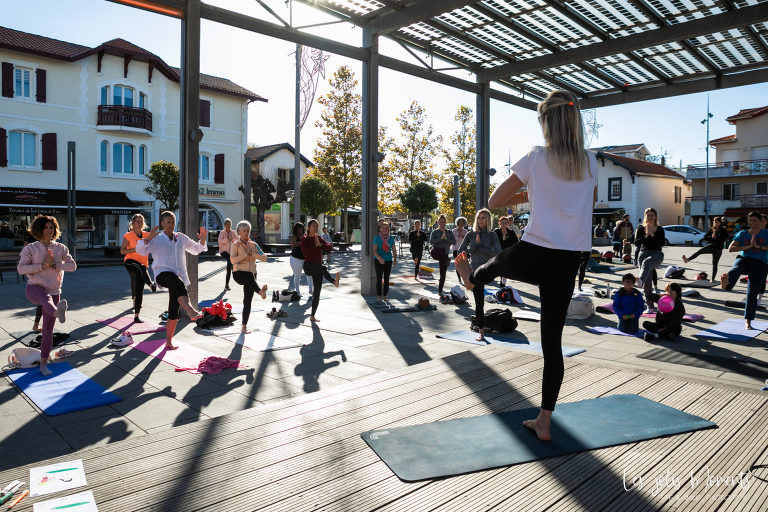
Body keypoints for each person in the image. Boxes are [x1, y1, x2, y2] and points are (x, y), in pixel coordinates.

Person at [455, 90, 598, 441]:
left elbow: (494, 200)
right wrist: (544, 192)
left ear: (546, 124)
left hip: (535, 251)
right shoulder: (591, 162)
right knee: (553, 343)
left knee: (494, 264)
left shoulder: (535, 157)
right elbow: (587, 200)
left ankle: (472, 282)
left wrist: (531, 189)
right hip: (568, 260)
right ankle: (545, 422)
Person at [135, 211, 206, 350]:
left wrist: (202, 240)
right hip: (162, 274)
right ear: (162, 223)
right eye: (168, 222)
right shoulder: (156, 238)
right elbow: (140, 250)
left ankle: (168, 342)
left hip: (177, 277)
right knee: (177, 283)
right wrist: (149, 238)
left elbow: (196, 249)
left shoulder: (181, 237)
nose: (171, 225)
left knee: (173, 309)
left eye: (173, 222)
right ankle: (191, 309)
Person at [17, 215, 76, 376]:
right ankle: (57, 312)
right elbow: (21, 269)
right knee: (45, 298)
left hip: (54, 291)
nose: (49, 230)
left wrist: (56, 264)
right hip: (34, 288)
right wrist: (42, 265)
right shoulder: (31, 248)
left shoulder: (61, 248)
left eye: (52, 227)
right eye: (46, 227)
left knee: (48, 331)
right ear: (39, 230)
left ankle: (43, 365)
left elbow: (72, 266)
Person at [457, 208, 502, 340]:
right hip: (475, 270)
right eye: (479, 218)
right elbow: (461, 250)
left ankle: (482, 328)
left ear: (488, 220)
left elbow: (498, 253)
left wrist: (480, 247)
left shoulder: (492, 235)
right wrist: (471, 249)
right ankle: (481, 330)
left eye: (483, 218)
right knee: (479, 301)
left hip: (487, 269)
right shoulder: (470, 234)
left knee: (480, 298)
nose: (480, 220)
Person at [720, 211, 768, 329]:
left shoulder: (766, 233)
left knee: (752, 294)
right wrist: (748, 247)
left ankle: (748, 321)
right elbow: (731, 248)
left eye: (755, 220)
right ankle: (726, 284)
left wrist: (758, 246)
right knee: (736, 268)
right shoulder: (742, 233)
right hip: (744, 259)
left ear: (760, 221)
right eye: (750, 221)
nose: (752, 223)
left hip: (760, 264)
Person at [229, 220, 268, 334]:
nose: (246, 233)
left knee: (247, 301)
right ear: (239, 232)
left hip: (251, 276)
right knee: (249, 275)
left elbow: (264, 257)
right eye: (244, 231)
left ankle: (244, 327)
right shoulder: (235, 245)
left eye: (248, 231)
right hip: (239, 273)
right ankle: (260, 292)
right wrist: (244, 255)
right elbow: (232, 260)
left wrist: (252, 254)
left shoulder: (253, 244)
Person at [301, 219, 340, 322]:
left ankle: (312, 316)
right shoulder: (304, 239)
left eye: (317, 226)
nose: (315, 228)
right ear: (308, 228)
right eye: (313, 226)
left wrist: (321, 245)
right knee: (322, 268)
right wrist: (316, 246)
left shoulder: (318, 237)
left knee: (317, 293)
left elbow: (329, 247)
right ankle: (333, 281)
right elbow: (305, 253)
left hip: (317, 267)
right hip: (309, 266)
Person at [120, 213, 157, 323]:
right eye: (137, 221)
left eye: (141, 221)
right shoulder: (128, 235)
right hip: (130, 262)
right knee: (140, 268)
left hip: (142, 264)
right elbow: (122, 251)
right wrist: (135, 249)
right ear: (133, 223)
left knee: (139, 288)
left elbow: (156, 241)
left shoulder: (147, 234)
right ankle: (151, 284)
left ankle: (136, 316)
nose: (140, 223)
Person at [634, 208, 665, 313]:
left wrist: (652, 234)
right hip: (643, 254)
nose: (650, 217)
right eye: (648, 215)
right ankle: (650, 307)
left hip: (656, 254)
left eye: (652, 215)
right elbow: (637, 243)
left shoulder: (660, 229)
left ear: (655, 216)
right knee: (648, 284)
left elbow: (661, 243)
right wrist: (646, 235)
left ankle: (640, 280)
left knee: (647, 263)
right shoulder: (640, 228)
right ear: (645, 216)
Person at [682, 216, 729, 281]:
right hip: (711, 246)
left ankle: (713, 279)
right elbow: (705, 237)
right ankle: (687, 260)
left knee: (715, 264)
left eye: (717, 222)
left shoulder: (723, 230)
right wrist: (712, 238)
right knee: (699, 251)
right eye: (714, 222)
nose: (715, 223)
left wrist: (714, 238)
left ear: (720, 223)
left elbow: (722, 240)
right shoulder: (712, 229)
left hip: (718, 249)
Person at [430, 214, 456, 295]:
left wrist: (446, 239)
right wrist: (440, 238)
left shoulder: (449, 232)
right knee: (442, 254)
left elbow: (454, 242)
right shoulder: (435, 232)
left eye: (444, 222)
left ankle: (440, 288)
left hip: (444, 254)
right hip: (436, 252)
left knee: (443, 272)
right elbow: (431, 242)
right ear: (438, 222)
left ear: (445, 222)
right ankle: (446, 260)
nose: (442, 223)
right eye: (441, 222)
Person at [373, 221, 397, 301]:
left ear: (388, 229)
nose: (385, 229)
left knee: (386, 279)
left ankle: (385, 296)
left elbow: (394, 250)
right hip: (378, 260)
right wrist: (380, 258)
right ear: (380, 229)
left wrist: (395, 260)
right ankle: (379, 296)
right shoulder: (377, 238)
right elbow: (374, 251)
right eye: (383, 228)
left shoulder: (391, 238)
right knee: (379, 278)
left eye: (386, 228)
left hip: (388, 260)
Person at [288, 223, 311, 298]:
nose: (300, 230)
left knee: (309, 274)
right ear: (296, 229)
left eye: (301, 228)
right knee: (297, 275)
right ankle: (297, 292)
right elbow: (294, 244)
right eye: (298, 228)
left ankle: (311, 290)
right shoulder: (293, 236)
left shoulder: (305, 235)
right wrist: (303, 240)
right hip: (295, 258)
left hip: (305, 258)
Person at [494, 216, 519, 287]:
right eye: (502, 222)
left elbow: (516, 242)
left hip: (508, 254)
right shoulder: (496, 232)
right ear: (499, 223)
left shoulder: (511, 232)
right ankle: (502, 284)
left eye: (505, 223)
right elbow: (492, 241)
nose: (503, 224)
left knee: (504, 270)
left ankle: (502, 284)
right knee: (501, 269)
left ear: (507, 224)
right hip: (498, 254)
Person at [217, 218, 237, 291]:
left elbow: (237, 240)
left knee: (229, 264)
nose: (228, 225)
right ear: (224, 225)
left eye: (229, 224)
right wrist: (226, 238)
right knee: (229, 260)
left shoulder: (233, 232)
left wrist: (231, 239)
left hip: (231, 252)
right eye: (227, 224)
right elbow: (219, 241)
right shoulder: (222, 232)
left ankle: (226, 285)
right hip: (223, 251)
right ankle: (233, 269)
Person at [451, 217, 469, 284]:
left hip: (463, 250)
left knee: (463, 265)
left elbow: (468, 242)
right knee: (458, 265)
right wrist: (458, 237)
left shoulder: (466, 232)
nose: (461, 224)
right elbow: (452, 240)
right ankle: (459, 280)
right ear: (457, 223)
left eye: (462, 222)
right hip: (455, 249)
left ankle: (464, 278)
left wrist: (464, 237)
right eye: (459, 222)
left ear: (464, 223)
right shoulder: (454, 231)